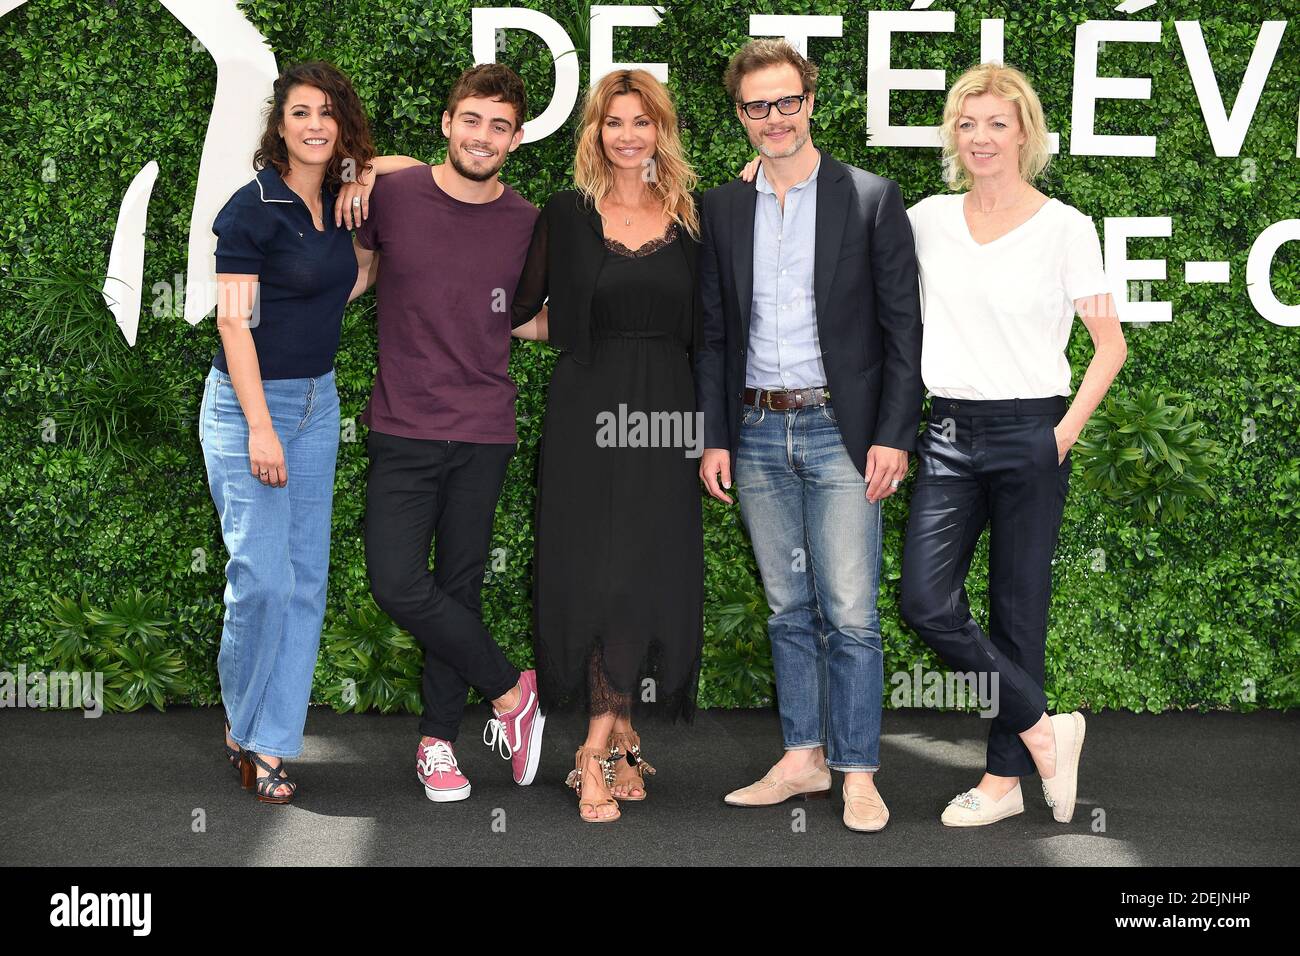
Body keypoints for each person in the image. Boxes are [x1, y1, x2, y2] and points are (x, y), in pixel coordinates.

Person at [697, 40, 923, 833]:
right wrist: (715, 435)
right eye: (757, 106)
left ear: (811, 104)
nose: (774, 118)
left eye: (787, 101)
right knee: (788, 607)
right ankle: (803, 758)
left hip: (841, 433)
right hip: (755, 429)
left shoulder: (868, 197)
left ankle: (858, 770)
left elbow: (904, 331)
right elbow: (716, 334)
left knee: (851, 613)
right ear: (740, 116)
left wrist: (893, 434)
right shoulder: (722, 208)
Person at [898, 63, 1127, 827]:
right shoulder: (927, 217)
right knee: (926, 602)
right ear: (953, 136)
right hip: (949, 430)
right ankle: (1042, 726)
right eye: (967, 124)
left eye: (996, 122)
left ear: (1024, 131)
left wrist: (1061, 434)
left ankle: (1000, 784)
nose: (980, 138)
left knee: (1017, 612)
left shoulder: (1065, 227)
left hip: (1033, 426)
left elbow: (1109, 347)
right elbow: (844, 231)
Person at [345, 64, 547, 803]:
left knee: (458, 591)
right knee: (396, 581)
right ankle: (508, 691)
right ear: (447, 122)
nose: (483, 136)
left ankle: (438, 745)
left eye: (499, 125)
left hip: (485, 430)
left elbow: (522, 318)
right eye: (472, 120)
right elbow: (360, 274)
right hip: (403, 423)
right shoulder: (393, 195)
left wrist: (617, 334)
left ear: (517, 138)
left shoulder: (528, 222)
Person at [510, 69, 705, 823]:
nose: (628, 135)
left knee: (642, 571)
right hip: (587, 411)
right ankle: (602, 747)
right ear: (594, 133)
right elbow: (519, 313)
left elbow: (711, 329)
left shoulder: (692, 218)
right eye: (613, 122)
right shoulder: (565, 213)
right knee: (594, 571)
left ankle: (606, 744)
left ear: (662, 130)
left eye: (642, 121)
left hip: (667, 414)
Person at [204, 61, 376, 804]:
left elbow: (355, 275)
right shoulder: (251, 210)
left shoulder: (340, 199)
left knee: (305, 583)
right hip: (251, 406)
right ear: (279, 125)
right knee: (262, 581)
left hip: (318, 402)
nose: (313, 125)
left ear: (341, 127)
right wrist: (261, 428)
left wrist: (366, 175)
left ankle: (270, 743)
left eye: (327, 114)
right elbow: (233, 323)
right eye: (300, 112)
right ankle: (243, 726)